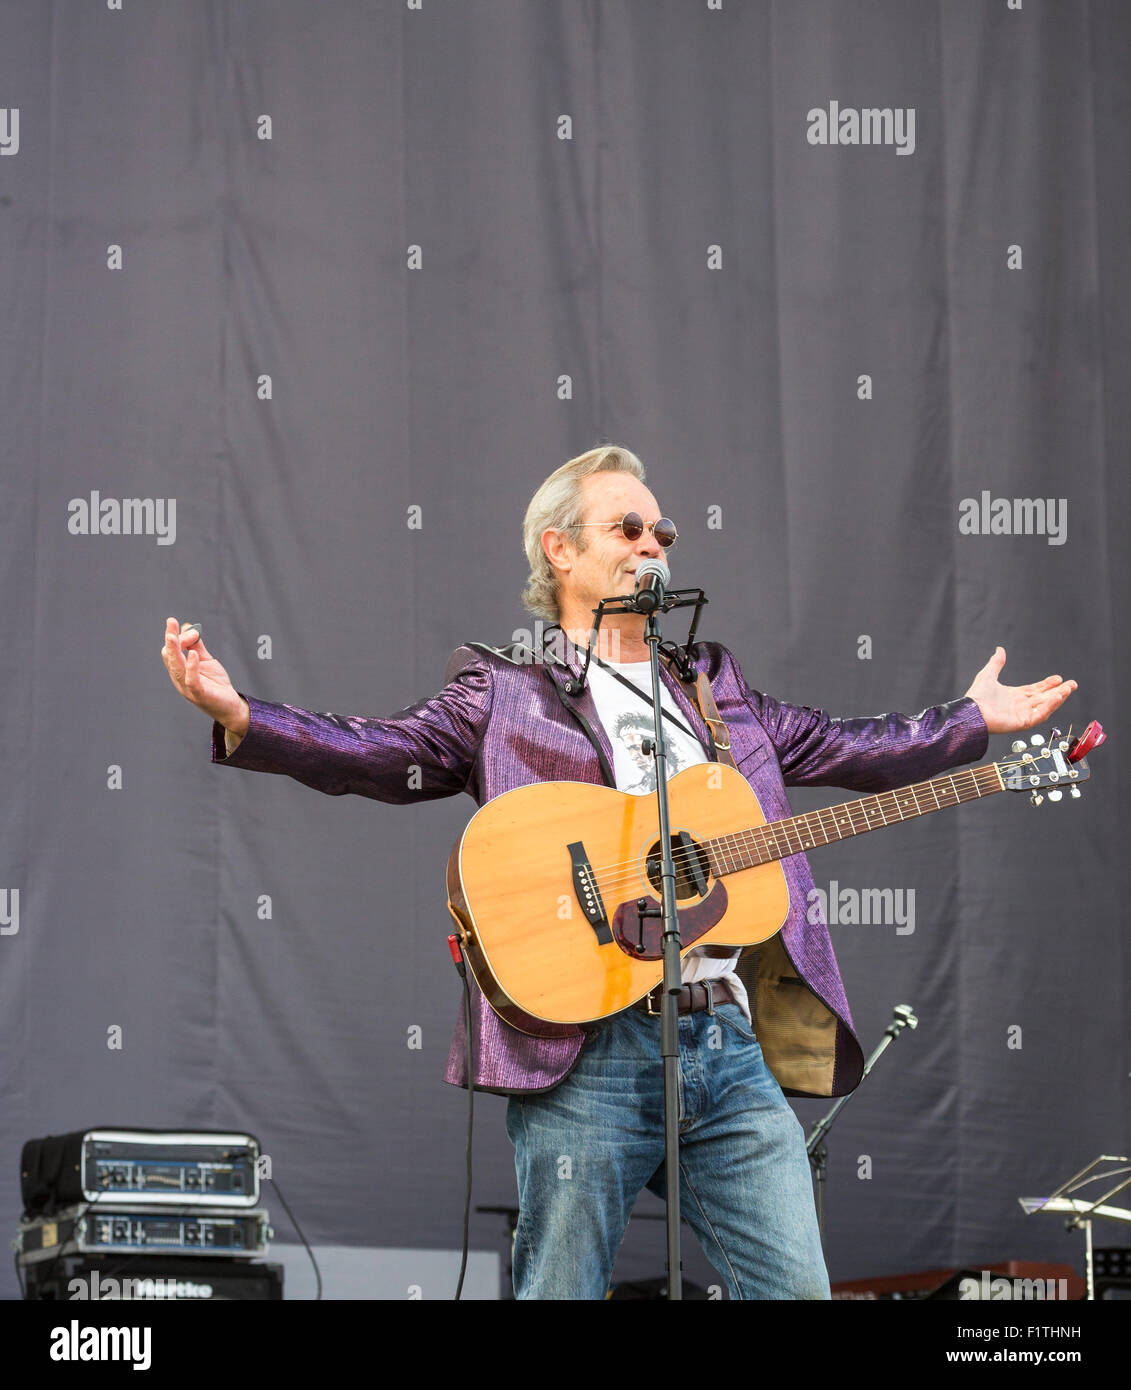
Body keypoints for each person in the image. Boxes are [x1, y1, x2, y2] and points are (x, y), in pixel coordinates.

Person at [160, 445, 1076, 1299]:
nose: (652, 544)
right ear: (558, 550)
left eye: (661, 532)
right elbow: (381, 751)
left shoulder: (714, 686)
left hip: (725, 1044)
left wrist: (968, 722)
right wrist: (245, 713)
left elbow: (849, 746)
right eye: (627, 529)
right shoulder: (505, 689)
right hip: (588, 1049)